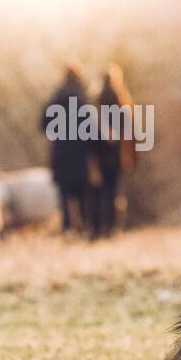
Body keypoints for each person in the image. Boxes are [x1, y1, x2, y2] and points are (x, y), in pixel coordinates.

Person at [42, 64, 96, 233]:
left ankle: (67, 227)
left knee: (64, 194)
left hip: (61, 153)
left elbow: (43, 124)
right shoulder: (83, 101)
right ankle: (85, 227)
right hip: (80, 154)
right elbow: (92, 132)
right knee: (83, 193)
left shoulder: (55, 100)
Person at [91, 63, 136, 238]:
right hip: (117, 156)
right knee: (114, 192)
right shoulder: (122, 102)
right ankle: (112, 228)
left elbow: (91, 134)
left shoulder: (96, 104)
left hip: (100, 156)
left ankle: (99, 228)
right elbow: (130, 133)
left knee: (100, 193)